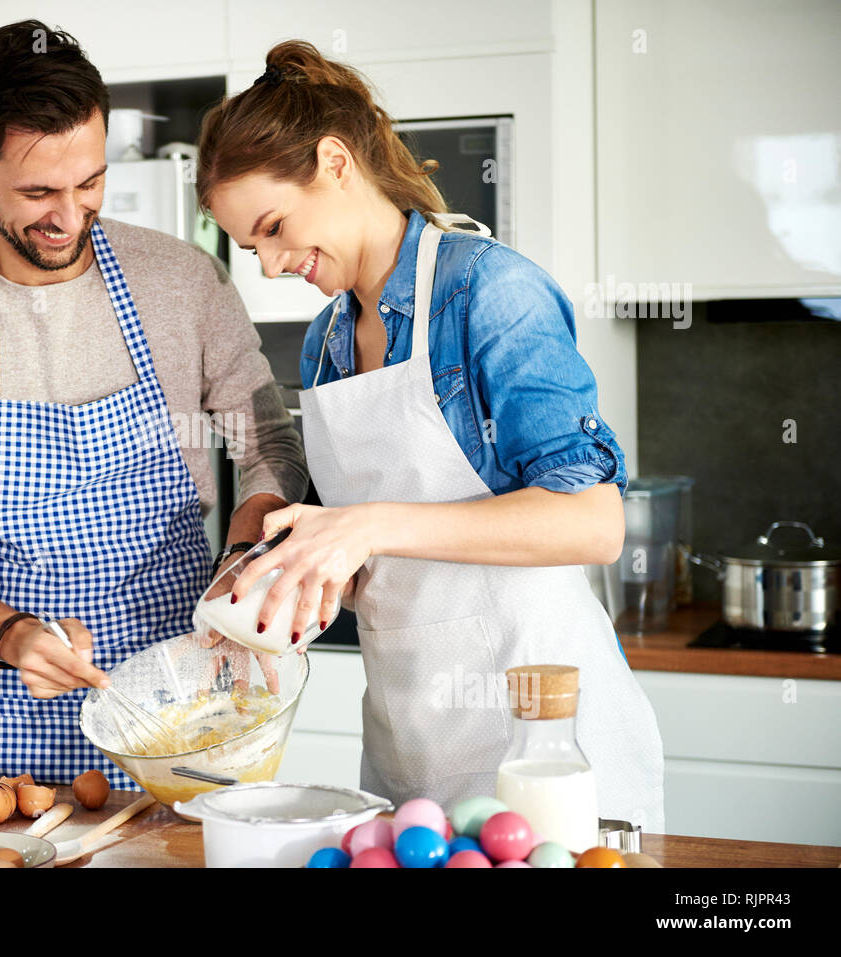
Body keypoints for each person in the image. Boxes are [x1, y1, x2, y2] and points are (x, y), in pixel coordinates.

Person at [195, 41, 665, 832]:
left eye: (274, 227)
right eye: (251, 248)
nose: (271, 265)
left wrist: (367, 524)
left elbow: (594, 521)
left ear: (336, 161)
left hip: (542, 750)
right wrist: (284, 588)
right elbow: (369, 556)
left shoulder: (489, 291)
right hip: (409, 752)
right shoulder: (327, 343)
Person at [0, 21, 306, 790]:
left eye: (88, 183)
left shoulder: (180, 280)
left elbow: (267, 441)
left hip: (186, 706)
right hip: (3, 725)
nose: (68, 216)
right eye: (37, 192)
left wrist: (240, 565)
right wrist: (8, 632)